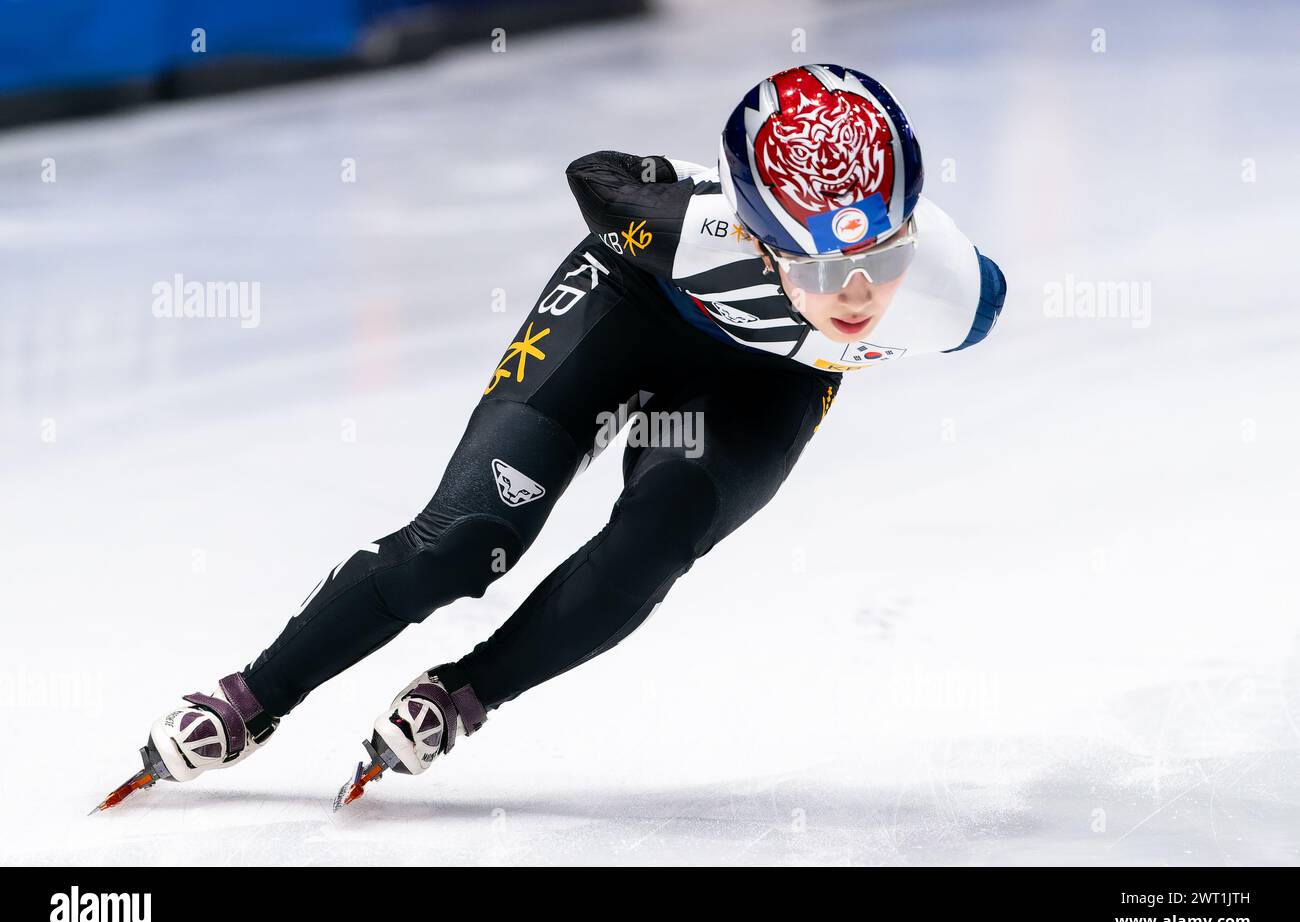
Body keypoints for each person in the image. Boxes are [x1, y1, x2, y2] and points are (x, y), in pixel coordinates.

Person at [102, 64, 1006, 808]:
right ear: (761, 244)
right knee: (460, 545)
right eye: (823, 264)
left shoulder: (955, 296)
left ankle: (466, 692)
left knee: (651, 544)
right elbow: (595, 174)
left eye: (882, 257)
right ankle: (254, 697)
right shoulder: (684, 232)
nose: (858, 294)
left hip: (768, 384)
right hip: (631, 312)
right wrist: (670, 173)